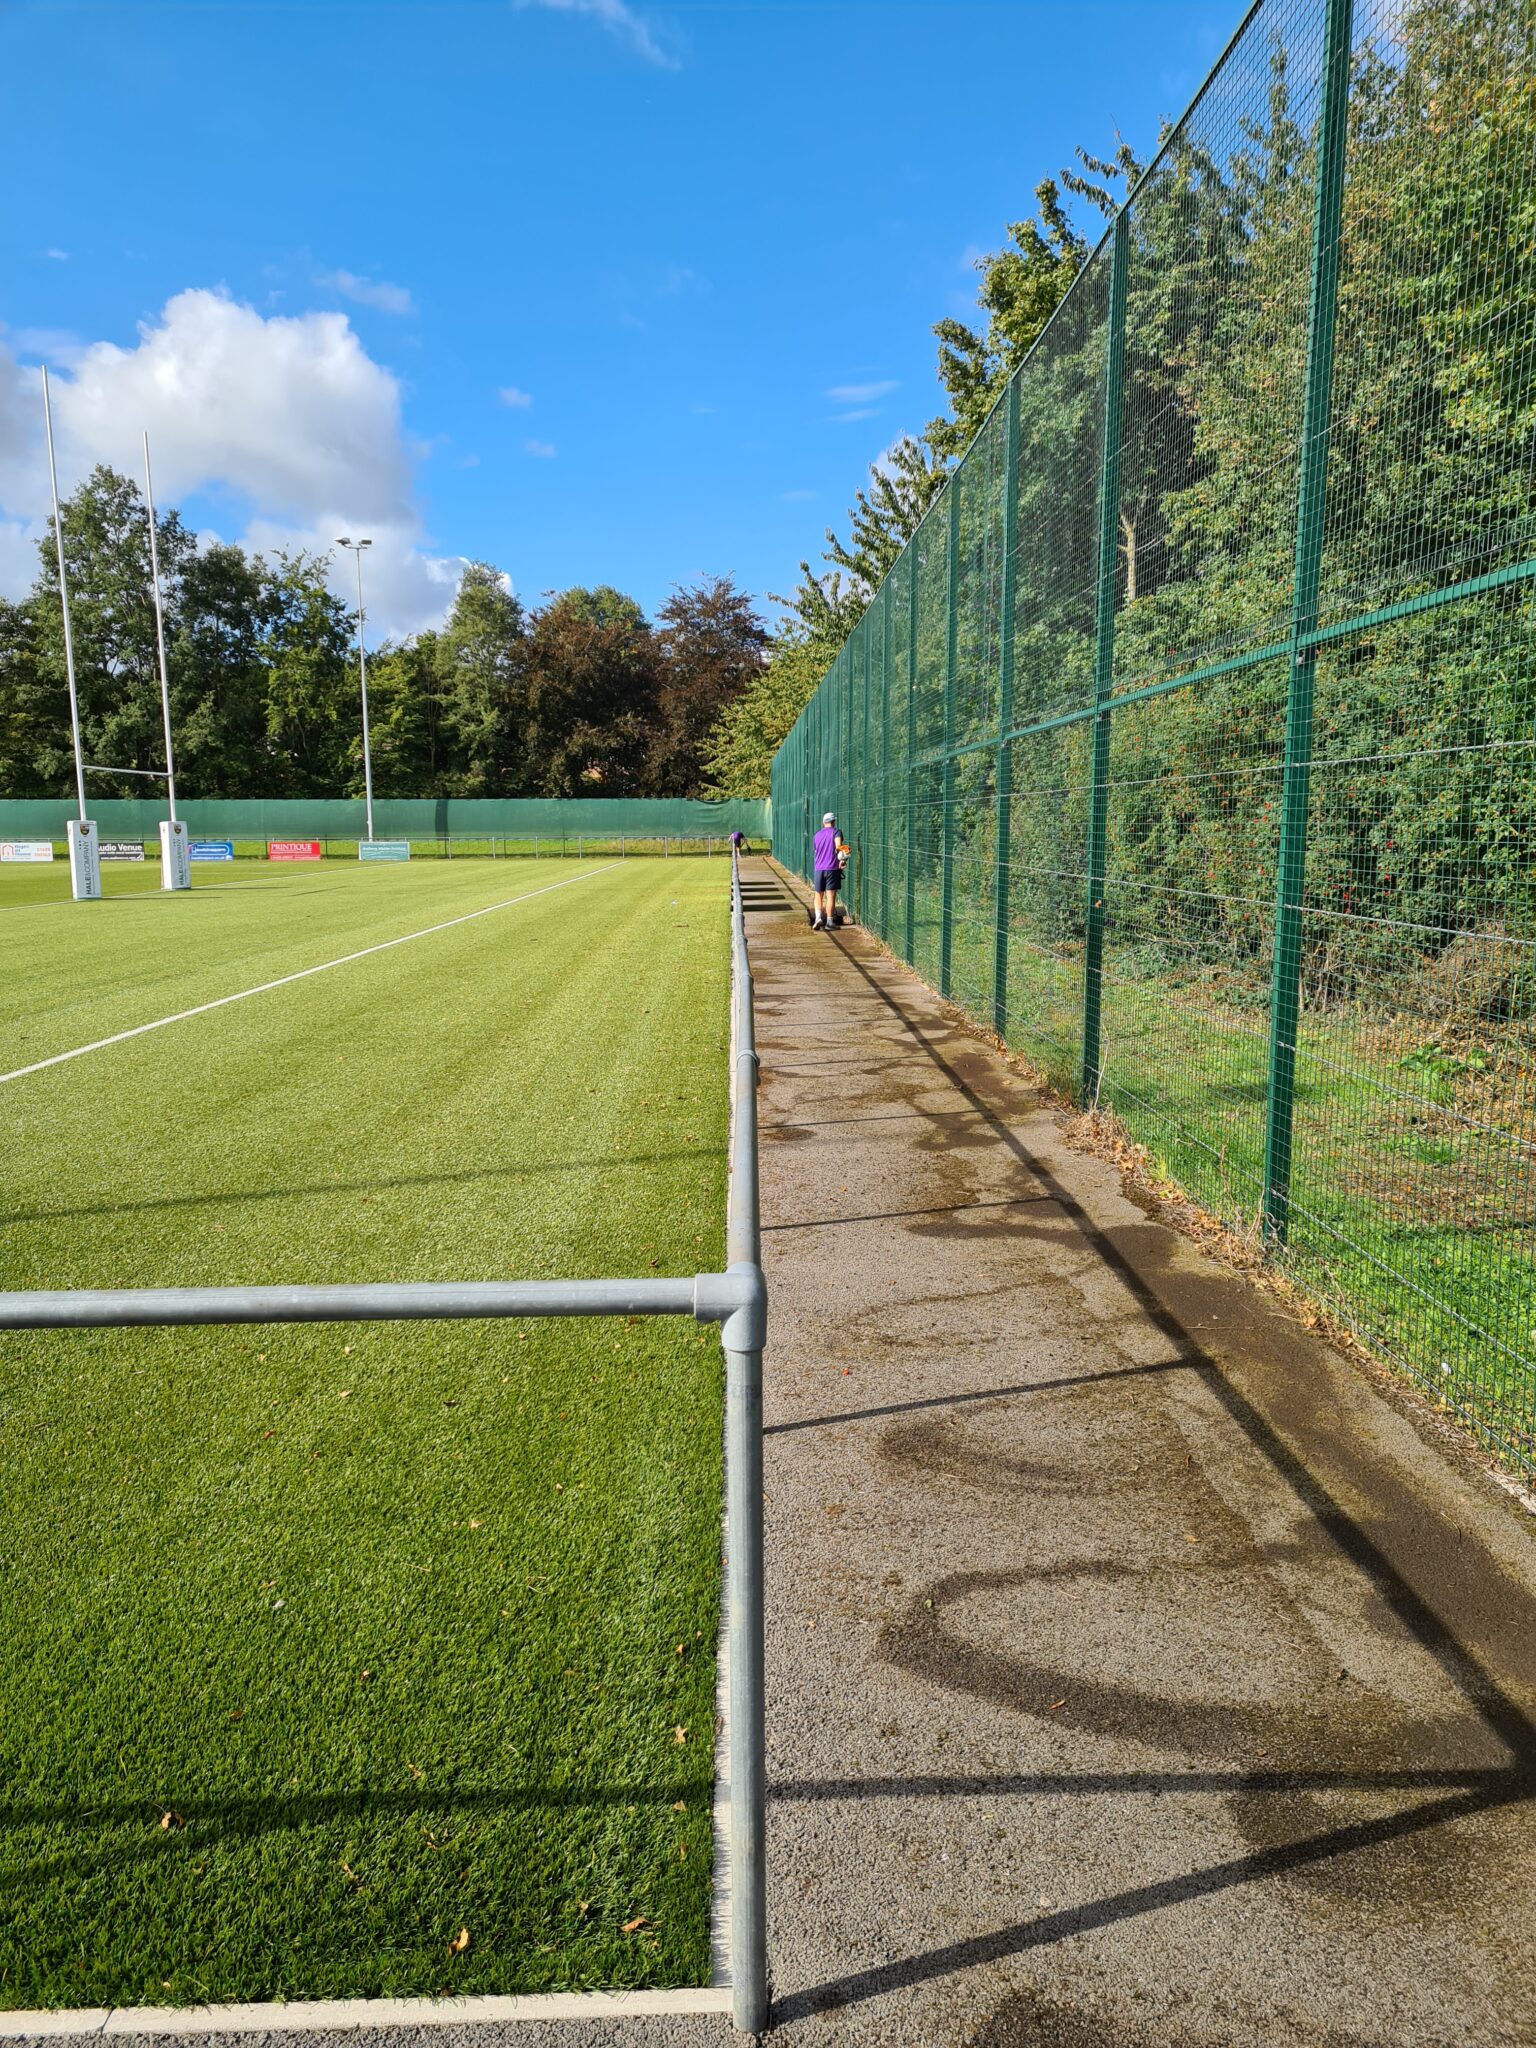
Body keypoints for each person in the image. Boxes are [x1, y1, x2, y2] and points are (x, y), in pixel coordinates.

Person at [810, 812, 843, 931]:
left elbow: (815, 851)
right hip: (832, 868)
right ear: (833, 822)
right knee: (830, 895)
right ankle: (829, 921)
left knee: (818, 894)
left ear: (823, 823)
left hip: (818, 868)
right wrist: (844, 856)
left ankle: (818, 917)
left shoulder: (816, 835)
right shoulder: (836, 832)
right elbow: (838, 846)